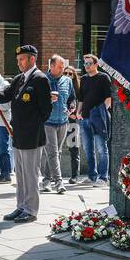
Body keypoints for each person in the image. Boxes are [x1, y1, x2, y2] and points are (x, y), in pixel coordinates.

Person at [0, 45, 53, 223]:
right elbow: (4, 96)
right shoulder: (19, 79)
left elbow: (46, 109)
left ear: (32, 59)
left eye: (22, 59)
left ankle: (31, 209)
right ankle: (21, 206)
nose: (18, 63)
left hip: (32, 135)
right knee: (19, 174)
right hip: (17, 133)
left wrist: (32, 124)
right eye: (18, 60)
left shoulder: (40, 79)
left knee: (30, 174)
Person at [78, 54, 112, 185]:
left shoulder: (103, 77)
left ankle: (103, 177)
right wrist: (78, 112)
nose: (86, 66)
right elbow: (81, 98)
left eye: (89, 63)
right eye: (85, 64)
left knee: (101, 148)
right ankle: (92, 176)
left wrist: (102, 112)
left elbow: (108, 98)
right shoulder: (84, 79)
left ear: (96, 64)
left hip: (99, 118)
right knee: (88, 148)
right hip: (85, 117)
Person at [42, 54, 73, 195]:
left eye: (63, 67)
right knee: (53, 152)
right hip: (47, 121)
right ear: (51, 66)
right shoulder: (42, 80)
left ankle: (46, 180)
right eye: (60, 67)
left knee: (56, 153)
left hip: (63, 121)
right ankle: (59, 182)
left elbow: (72, 99)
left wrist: (71, 108)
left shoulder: (67, 81)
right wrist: (47, 99)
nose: (62, 70)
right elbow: (37, 100)